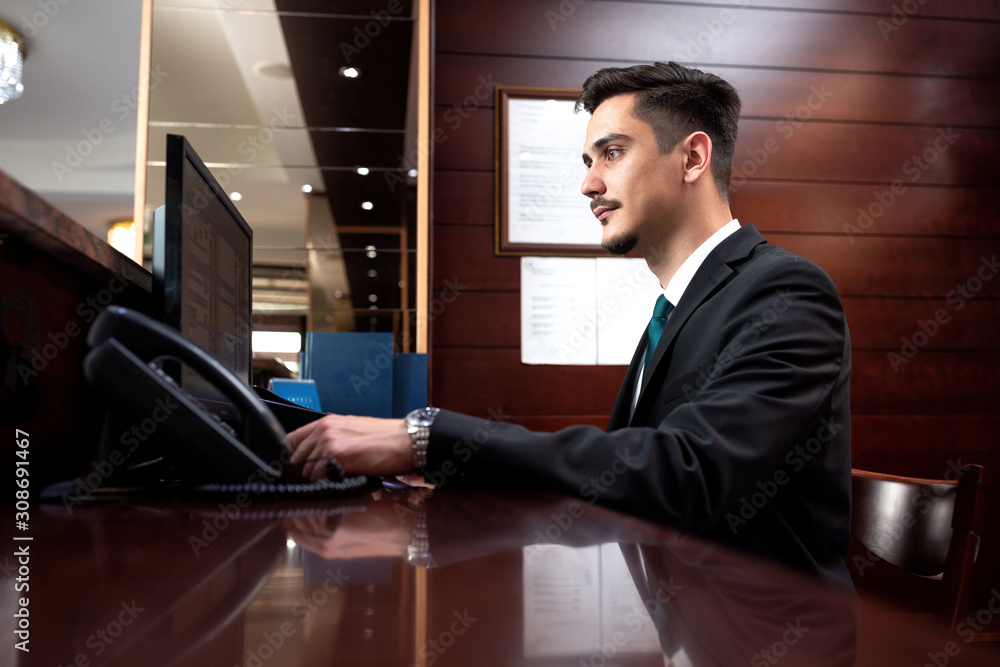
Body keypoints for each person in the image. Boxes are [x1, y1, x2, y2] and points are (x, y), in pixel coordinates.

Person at [288, 61, 853, 587]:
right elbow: (627, 474)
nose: (588, 185)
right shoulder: (680, 307)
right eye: (589, 162)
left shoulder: (785, 291)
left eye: (611, 153)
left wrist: (428, 439)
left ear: (693, 158)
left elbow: (689, 473)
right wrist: (461, 469)